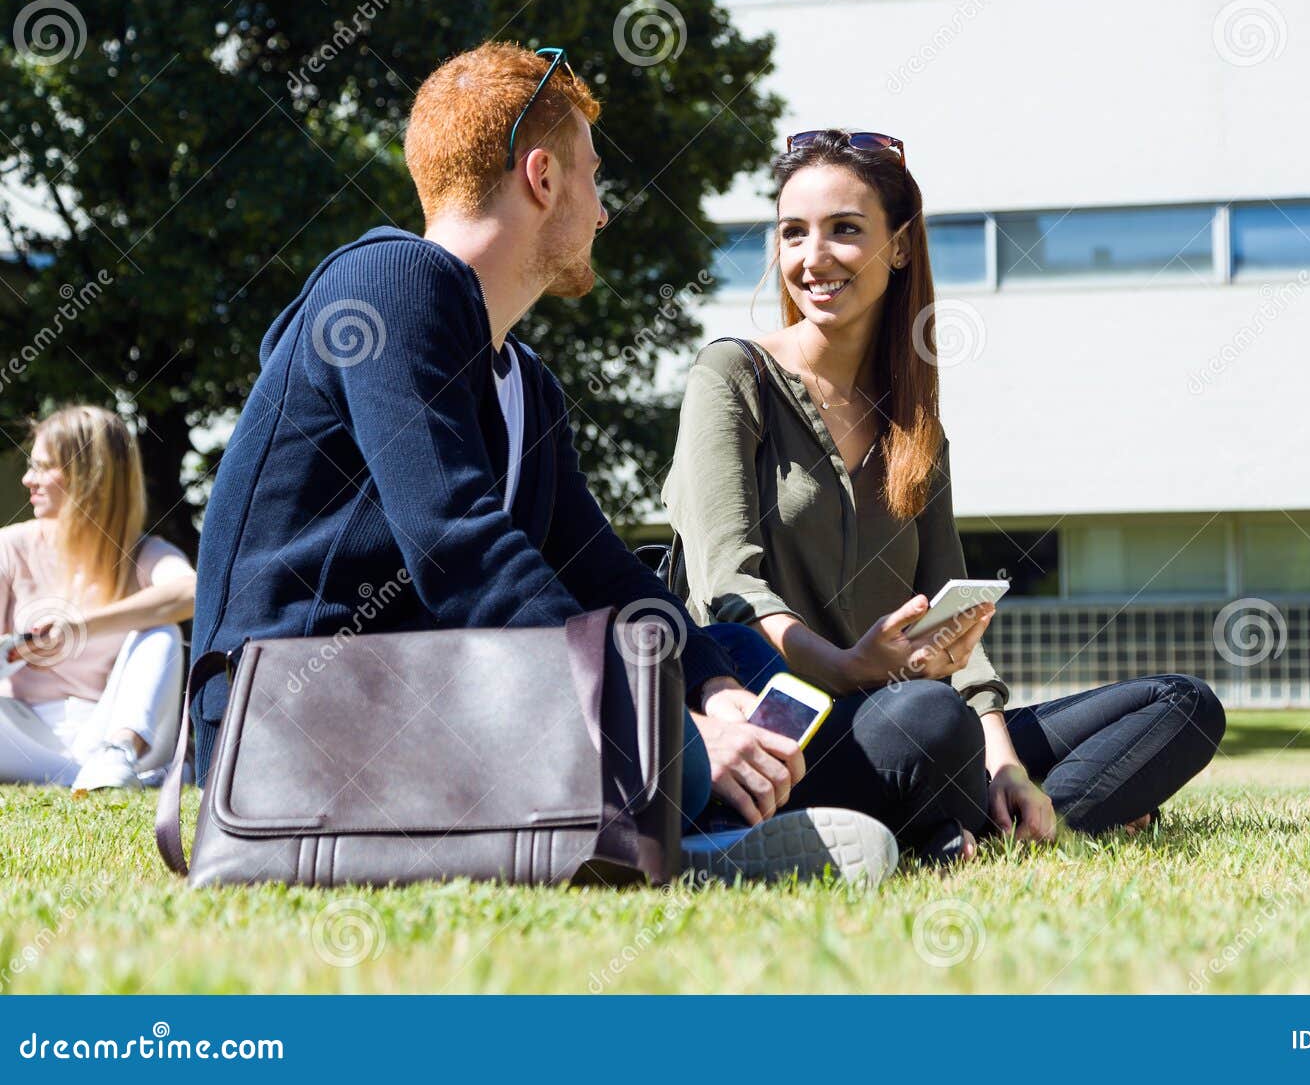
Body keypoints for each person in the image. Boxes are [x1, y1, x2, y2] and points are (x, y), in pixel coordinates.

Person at [187, 45, 895, 885]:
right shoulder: (387, 283)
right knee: (667, 732)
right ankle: (691, 835)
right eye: (593, 179)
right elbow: (459, 546)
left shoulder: (525, 383)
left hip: (434, 690)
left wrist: (706, 685)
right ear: (543, 177)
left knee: (730, 649)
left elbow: (597, 565)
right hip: (309, 717)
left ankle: (717, 806)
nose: (601, 213)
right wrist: (652, 718)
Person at [664, 129, 1226, 860]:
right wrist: (846, 667)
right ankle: (975, 816)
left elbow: (954, 615)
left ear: (899, 246)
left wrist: (1006, 762)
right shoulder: (732, 377)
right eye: (793, 233)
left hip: (913, 709)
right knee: (929, 721)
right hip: (788, 727)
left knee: (1182, 705)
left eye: (844, 230)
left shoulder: (913, 421)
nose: (812, 258)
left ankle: (998, 816)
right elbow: (728, 588)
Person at [0, 405, 195, 793]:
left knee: (161, 633)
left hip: (113, 732)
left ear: (90, 477)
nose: (27, 480)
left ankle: (116, 760)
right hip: (24, 732)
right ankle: (94, 778)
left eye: (42, 468)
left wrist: (79, 627)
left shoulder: (144, 554)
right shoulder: (12, 547)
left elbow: (190, 591)